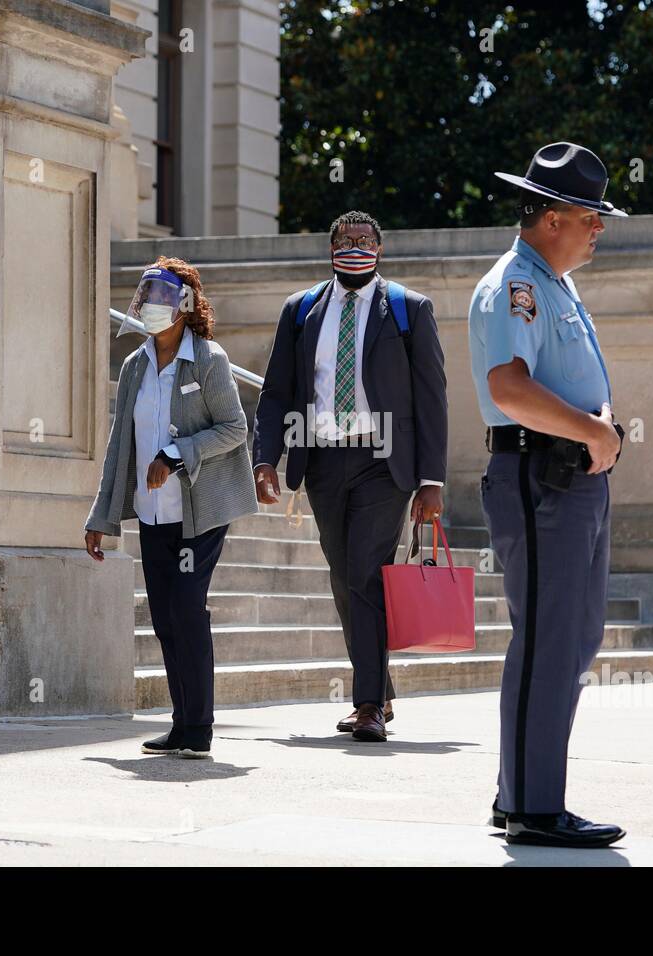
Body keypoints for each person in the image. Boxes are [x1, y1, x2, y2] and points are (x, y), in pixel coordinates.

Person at [468, 143, 627, 847]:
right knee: (548, 641)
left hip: (569, 481)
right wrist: (591, 430)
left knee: (571, 637)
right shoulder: (517, 284)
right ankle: (535, 806)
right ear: (555, 216)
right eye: (592, 217)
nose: (600, 229)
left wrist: (595, 435)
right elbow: (508, 387)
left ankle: (521, 795)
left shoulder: (555, 285)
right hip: (541, 478)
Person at [252, 210, 448, 742]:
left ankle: (367, 707)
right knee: (344, 576)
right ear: (330, 248)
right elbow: (276, 391)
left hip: (384, 462)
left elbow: (432, 398)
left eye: (364, 240)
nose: (354, 246)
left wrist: (432, 478)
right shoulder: (301, 310)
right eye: (344, 239)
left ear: (380, 249)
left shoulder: (408, 310)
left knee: (365, 572)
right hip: (321, 459)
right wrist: (264, 457)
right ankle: (379, 687)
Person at [85, 257, 256, 759]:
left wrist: (176, 455)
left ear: (184, 304)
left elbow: (234, 428)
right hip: (152, 510)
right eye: (147, 296)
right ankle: (181, 725)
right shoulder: (135, 365)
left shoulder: (209, 358)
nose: (151, 306)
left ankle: (199, 727)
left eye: (162, 296)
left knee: (186, 609)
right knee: (163, 617)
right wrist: (101, 517)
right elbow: (120, 448)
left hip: (199, 511)